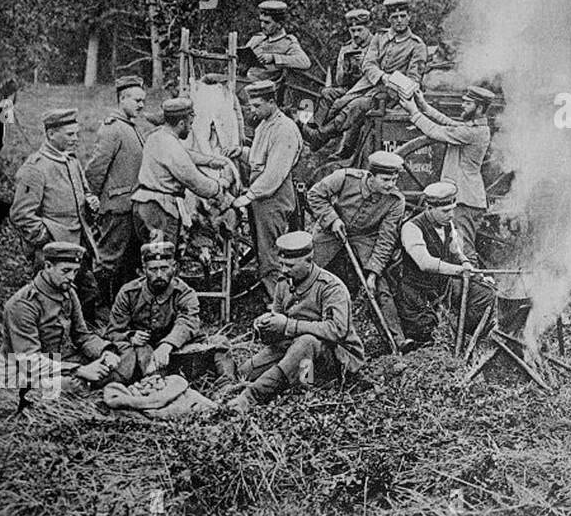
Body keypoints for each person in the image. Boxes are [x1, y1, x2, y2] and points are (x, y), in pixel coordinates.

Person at [227, 231, 364, 411]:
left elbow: (335, 331)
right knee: (245, 373)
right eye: (282, 264)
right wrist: (265, 326)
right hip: (297, 353)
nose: (283, 270)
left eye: (290, 265)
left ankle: (253, 397)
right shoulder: (284, 283)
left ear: (309, 261)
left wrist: (288, 325)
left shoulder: (330, 288)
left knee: (307, 342)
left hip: (337, 360)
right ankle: (292, 381)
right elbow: (277, 332)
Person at [304, 0, 429, 154]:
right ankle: (324, 142)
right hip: (367, 85)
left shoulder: (416, 45)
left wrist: (391, 82)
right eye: (394, 17)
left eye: (402, 16)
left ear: (409, 17)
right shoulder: (380, 37)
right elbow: (368, 64)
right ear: (389, 18)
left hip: (391, 95)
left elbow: (413, 80)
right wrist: (383, 76)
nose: (399, 20)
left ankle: (319, 137)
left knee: (355, 106)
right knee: (338, 102)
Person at [307, 150, 407, 345]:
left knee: (378, 286)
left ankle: (396, 339)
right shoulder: (344, 177)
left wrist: (373, 272)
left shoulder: (396, 201)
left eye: (394, 179)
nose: (391, 185)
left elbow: (386, 239)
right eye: (386, 180)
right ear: (371, 176)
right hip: (331, 231)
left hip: (364, 238)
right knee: (308, 270)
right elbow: (315, 194)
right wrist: (332, 220)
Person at [9, 108, 101, 320]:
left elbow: (85, 192)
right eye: (70, 134)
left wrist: (90, 201)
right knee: (51, 304)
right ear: (51, 134)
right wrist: (47, 240)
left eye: (77, 133)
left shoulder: (72, 161)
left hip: (79, 246)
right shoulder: (35, 168)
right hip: (52, 253)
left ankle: (86, 342)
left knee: (87, 295)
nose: (75, 139)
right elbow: (21, 215)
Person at [105, 239, 234, 385]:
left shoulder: (184, 292)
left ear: (174, 268)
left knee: (220, 343)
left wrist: (167, 345)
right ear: (143, 270)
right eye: (153, 269)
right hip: (143, 353)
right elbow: (112, 331)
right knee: (138, 355)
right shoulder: (129, 293)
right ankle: (154, 384)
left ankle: (226, 389)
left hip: (177, 348)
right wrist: (130, 336)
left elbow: (188, 322)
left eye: (164, 268)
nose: (159, 274)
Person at [0, 242, 121, 387]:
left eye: (75, 271)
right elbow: (29, 361)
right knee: (72, 384)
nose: (71, 277)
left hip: (60, 361)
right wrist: (79, 370)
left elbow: (82, 336)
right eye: (66, 270)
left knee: (117, 366)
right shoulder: (23, 304)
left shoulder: (68, 292)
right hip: (23, 369)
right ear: (48, 266)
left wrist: (105, 352)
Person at [397, 181, 496, 350]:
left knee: (485, 295)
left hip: (443, 287)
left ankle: (460, 331)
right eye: (445, 211)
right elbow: (424, 263)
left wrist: (465, 262)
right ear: (429, 208)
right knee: (428, 335)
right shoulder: (411, 228)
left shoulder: (447, 224)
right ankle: (449, 333)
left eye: (452, 209)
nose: (451, 215)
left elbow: (456, 251)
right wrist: (459, 270)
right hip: (416, 293)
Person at [402, 84, 495, 263]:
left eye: (468, 103)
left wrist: (414, 112)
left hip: (464, 199)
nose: (463, 106)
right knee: (458, 249)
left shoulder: (473, 132)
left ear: (480, 108)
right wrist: (423, 106)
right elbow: (448, 122)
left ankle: (474, 287)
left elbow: (437, 131)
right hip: (463, 196)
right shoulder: (472, 128)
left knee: (464, 251)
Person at [227, 80, 303, 298]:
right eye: (251, 106)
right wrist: (240, 151)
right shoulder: (264, 124)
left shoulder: (285, 129)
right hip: (262, 196)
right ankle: (275, 293)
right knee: (262, 247)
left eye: (258, 105)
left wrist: (249, 195)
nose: (253, 110)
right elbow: (258, 158)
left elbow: (275, 173)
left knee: (271, 250)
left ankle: (280, 302)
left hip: (273, 196)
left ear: (272, 102)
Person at [131, 98, 233, 255]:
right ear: (181, 123)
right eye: (190, 124)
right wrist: (220, 187)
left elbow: (184, 154)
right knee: (164, 259)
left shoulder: (158, 136)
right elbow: (196, 182)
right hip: (160, 210)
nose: (191, 129)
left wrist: (210, 161)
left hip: (145, 204)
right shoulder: (171, 146)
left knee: (151, 258)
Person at [85, 75, 150, 302]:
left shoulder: (131, 127)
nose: (141, 105)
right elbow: (96, 169)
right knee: (107, 262)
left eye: (143, 100)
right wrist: (90, 198)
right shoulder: (112, 128)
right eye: (136, 100)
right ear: (122, 99)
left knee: (129, 263)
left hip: (131, 208)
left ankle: (119, 309)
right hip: (116, 209)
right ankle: (94, 309)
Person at [304, 8, 375, 146]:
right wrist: (347, 69)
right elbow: (339, 81)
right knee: (327, 93)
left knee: (343, 105)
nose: (355, 34)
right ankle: (315, 131)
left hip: (366, 89)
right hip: (349, 88)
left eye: (359, 30)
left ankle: (319, 137)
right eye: (352, 30)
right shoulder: (347, 48)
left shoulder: (376, 45)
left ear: (368, 28)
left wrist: (363, 64)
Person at [243, 0, 313, 83]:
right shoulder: (257, 38)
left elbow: (305, 62)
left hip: (262, 88)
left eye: (267, 22)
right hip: (243, 80)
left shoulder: (288, 43)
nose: (262, 26)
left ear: (280, 24)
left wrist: (273, 58)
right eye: (261, 21)